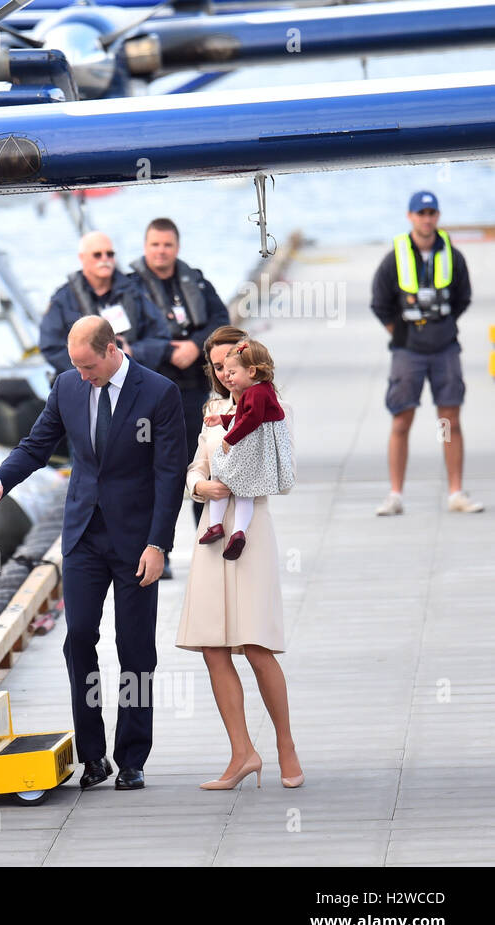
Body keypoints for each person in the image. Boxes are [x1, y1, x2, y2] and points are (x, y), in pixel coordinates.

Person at [0, 316, 186, 790]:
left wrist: (159, 544)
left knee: (135, 650)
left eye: (90, 366)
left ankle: (132, 757)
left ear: (113, 350)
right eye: (76, 366)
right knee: (79, 641)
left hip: (136, 542)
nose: (84, 375)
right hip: (83, 537)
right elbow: (36, 446)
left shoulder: (159, 393)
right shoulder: (68, 386)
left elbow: (169, 475)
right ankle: (93, 756)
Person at [177, 325, 304, 791]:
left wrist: (242, 479)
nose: (224, 370)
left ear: (250, 360)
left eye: (231, 360)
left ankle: (285, 745)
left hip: (251, 535)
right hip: (212, 534)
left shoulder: (274, 407)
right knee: (212, 645)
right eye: (216, 364)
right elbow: (195, 466)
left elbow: (284, 476)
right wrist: (199, 486)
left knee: (255, 645)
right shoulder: (212, 410)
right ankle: (242, 753)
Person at [370, 190, 482, 516]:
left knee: (450, 421)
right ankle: (395, 495)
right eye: (421, 213)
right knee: (401, 419)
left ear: (438, 217)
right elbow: (380, 303)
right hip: (408, 352)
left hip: (445, 349)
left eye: (432, 212)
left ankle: (456, 493)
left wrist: (441, 326)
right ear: (410, 216)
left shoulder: (453, 255)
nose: (427, 218)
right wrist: (403, 332)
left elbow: (463, 298)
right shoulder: (395, 258)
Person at [130, 218, 230, 535]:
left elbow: (221, 320)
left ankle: (207, 535)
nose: (161, 251)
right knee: (152, 474)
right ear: (145, 247)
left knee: (200, 467)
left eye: (167, 245)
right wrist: (165, 352)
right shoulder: (129, 288)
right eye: (155, 245)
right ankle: (156, 550)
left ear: (177, 247)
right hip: (147, 395)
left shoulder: (195, 281)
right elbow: (123, 344)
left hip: (191, 393)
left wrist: (193, 345)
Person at [198, 339, 294, 561]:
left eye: (232, 371)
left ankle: (217, 525)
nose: (227, 376)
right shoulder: (260, 392)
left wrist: (230, 438)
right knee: (245, 494)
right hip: (255, 453)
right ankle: (237, 532)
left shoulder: (256, 393)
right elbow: (244, 416)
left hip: (250, 449)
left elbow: (250, 419)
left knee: (221, 473)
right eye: (221, 369)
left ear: (251, 371)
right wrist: (222, 418)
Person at [39, 232, 171, 377]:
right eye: (97, 255)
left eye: (110, 254)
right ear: (82, 258)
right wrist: (92, 365)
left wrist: (132, 352)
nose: (105, 259)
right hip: (85, 384)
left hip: (132, 378)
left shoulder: (135, 292)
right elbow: (51, 347)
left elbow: (160, 335)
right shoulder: (63, 299)